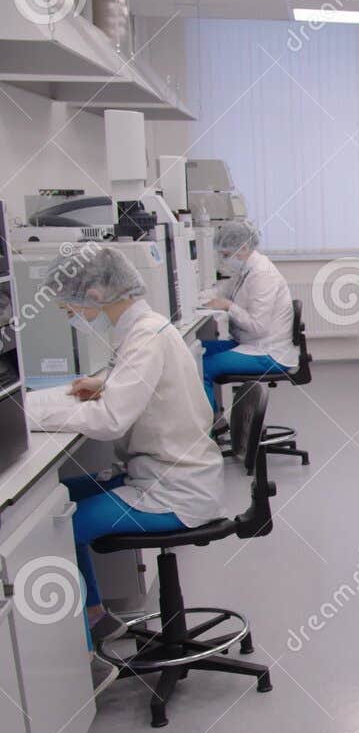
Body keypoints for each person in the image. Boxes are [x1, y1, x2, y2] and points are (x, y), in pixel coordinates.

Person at [28, 245, 224, 638]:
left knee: (55, 529)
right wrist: (106, 384)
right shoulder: (147, 328)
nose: (68, 314)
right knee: (62, 495)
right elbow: (144, 389)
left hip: (174, 491)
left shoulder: (145, 336)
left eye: (69, 304)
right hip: (170, 472)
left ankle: (84, 646)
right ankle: (96, 613)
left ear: (96, 294)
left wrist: (31, 414)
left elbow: (111, 419)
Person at [198, 220, 297, 414]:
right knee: (195, 352)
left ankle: (208, 432)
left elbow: (258, 326)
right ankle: (212, 419)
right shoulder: (246, 270)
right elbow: (222, 291)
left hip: (269, 353)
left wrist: (228, 307)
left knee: (204, 367)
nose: (224, 259)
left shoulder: (262, 275)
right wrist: (199, 299)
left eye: (226, 254)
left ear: (243, 247)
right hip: (251, 343)